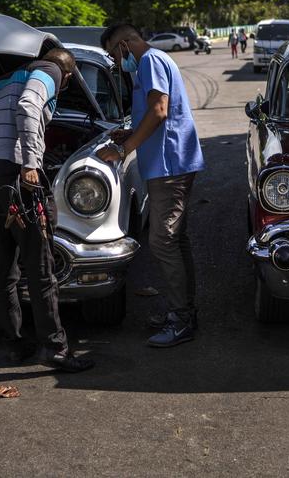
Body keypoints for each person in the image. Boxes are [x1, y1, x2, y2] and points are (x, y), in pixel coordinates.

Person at [0, 47, 94, 372]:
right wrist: (31, 163)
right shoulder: (50, 71)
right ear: (68, 76)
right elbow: (28, 106)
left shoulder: (1, 82)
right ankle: (54, 348)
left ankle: (14, 344)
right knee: (40, 267)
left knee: (2, 267)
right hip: (14, 173)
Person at [97, 24, 205, 348]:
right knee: (175, 240)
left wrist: (122, 149)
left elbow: (159, 110)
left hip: (169, 165)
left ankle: (181, 319)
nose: (117, 65)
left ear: (124, 45)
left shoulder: (149, 61)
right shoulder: (154, 61)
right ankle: (183, 311)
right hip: (172, 162)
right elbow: (153, 113)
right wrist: (128, 134)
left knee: (162, 241)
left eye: (114, 57)